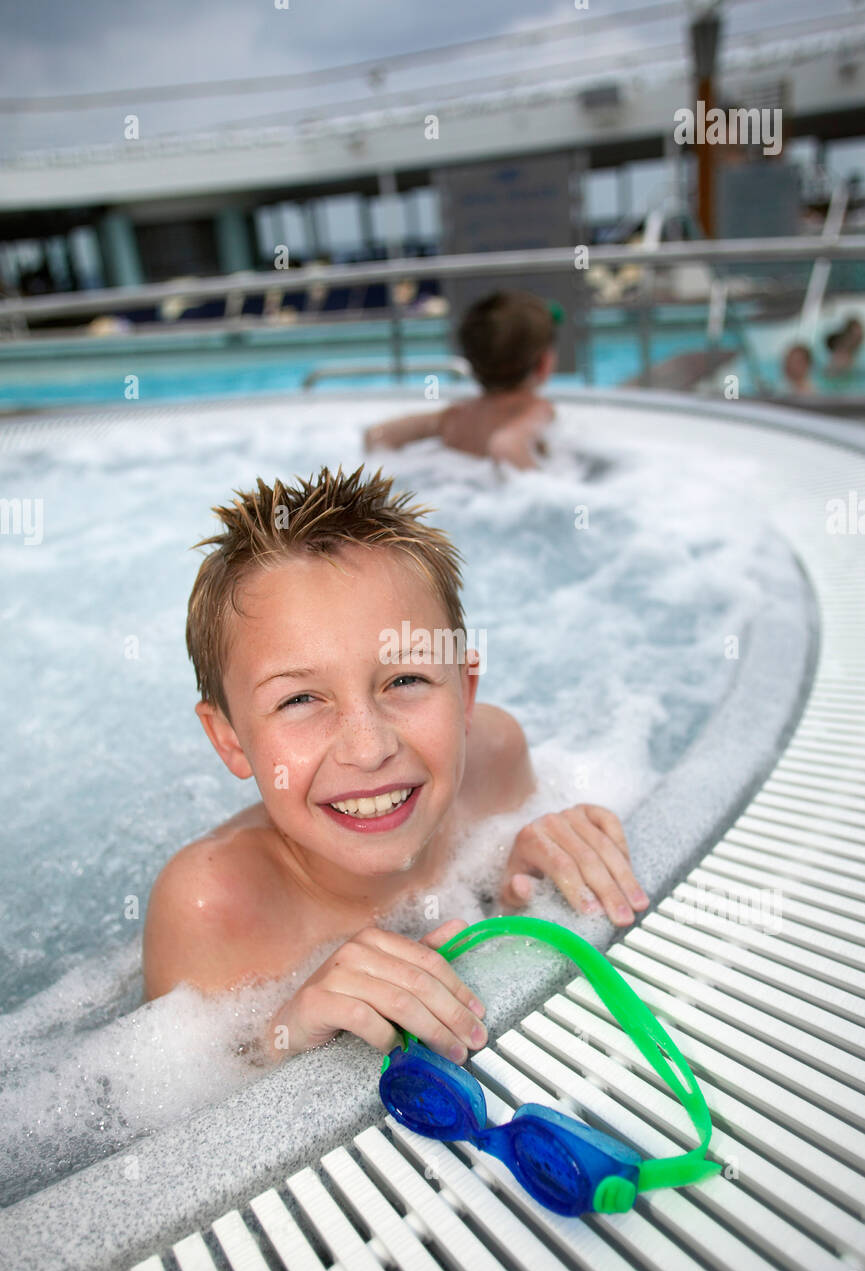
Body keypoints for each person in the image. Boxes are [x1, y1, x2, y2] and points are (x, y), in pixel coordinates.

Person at [143, 467, 648, 1065]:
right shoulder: (212, 907)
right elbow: (177, 1122)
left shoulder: (495, 758)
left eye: (405, 679)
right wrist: (280, 1038)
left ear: (464, 691)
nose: (369, 747)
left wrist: (519, 885)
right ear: (228, 738)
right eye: (300, 699)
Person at [363, 290, 558, 471]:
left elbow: (376, 436)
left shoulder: (455, 416)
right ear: (543, 364)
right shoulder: (537, 410)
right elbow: (506, 447)